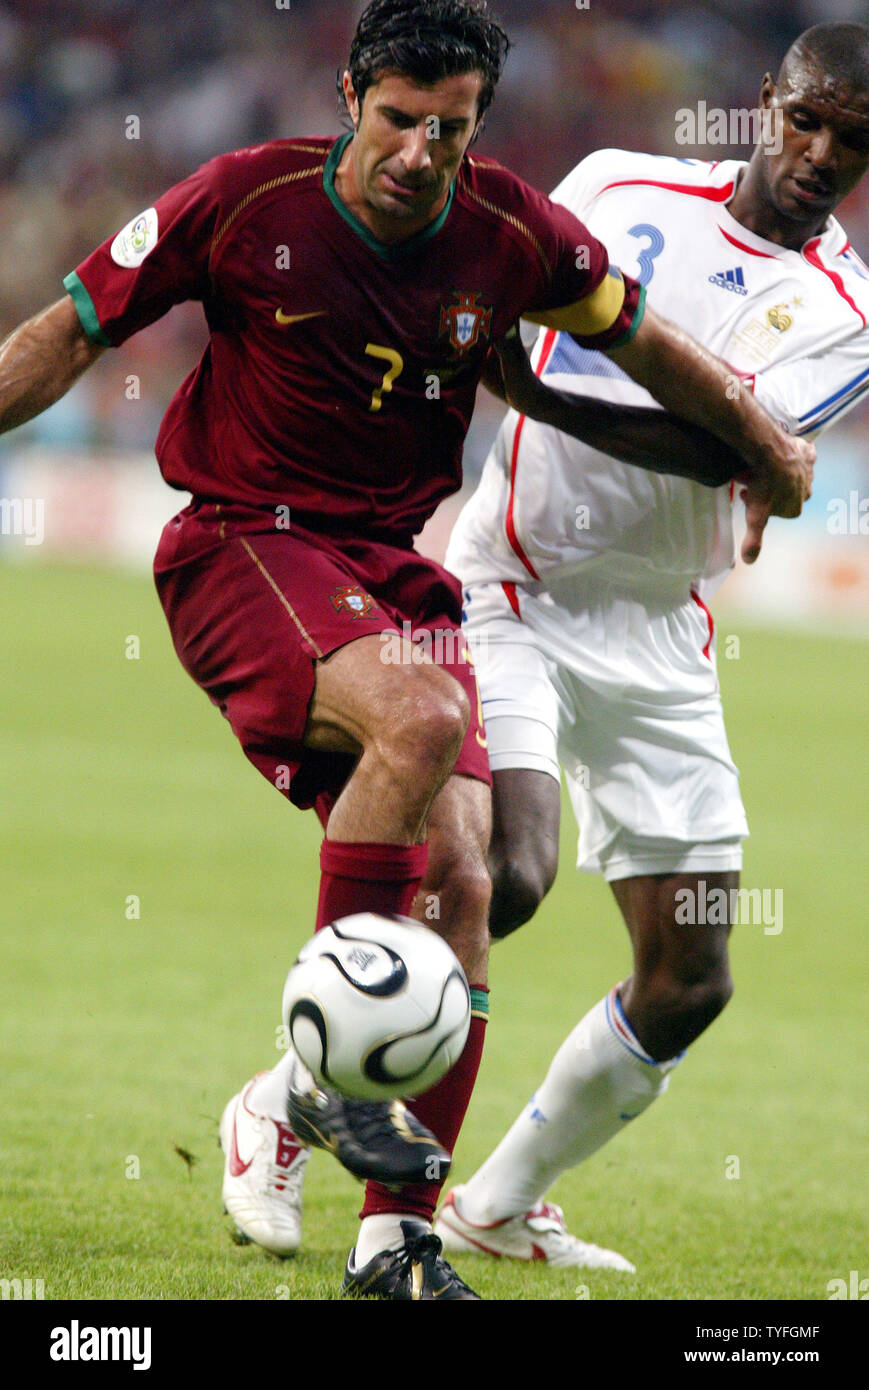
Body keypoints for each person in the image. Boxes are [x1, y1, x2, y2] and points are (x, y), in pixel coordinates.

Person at [0, 0, 813, 1300]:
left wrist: (766, 445)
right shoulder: (240, 199)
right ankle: (316, 1078)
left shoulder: (511, 232)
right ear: (350, 95)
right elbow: (69, 333)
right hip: (243, 539)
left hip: (395, 566)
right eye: (398, 120)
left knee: (469, 894)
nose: (421, 152)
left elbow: (646, 343)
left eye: (450, 127)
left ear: (477, 124)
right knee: (426, 719)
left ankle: (397, 1237)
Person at [432, 20, 869, 1273]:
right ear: (764, 102)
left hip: (660, 630)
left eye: (851, 139)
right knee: (506, 877)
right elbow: (491, 305)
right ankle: (292, 1100)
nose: (818, 151)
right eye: (804, 118)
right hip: (511, 579)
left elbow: (726, 453)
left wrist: (543, 393)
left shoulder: (842, 311)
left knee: (688, 976)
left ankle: (496, 1203)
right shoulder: (617, 184)